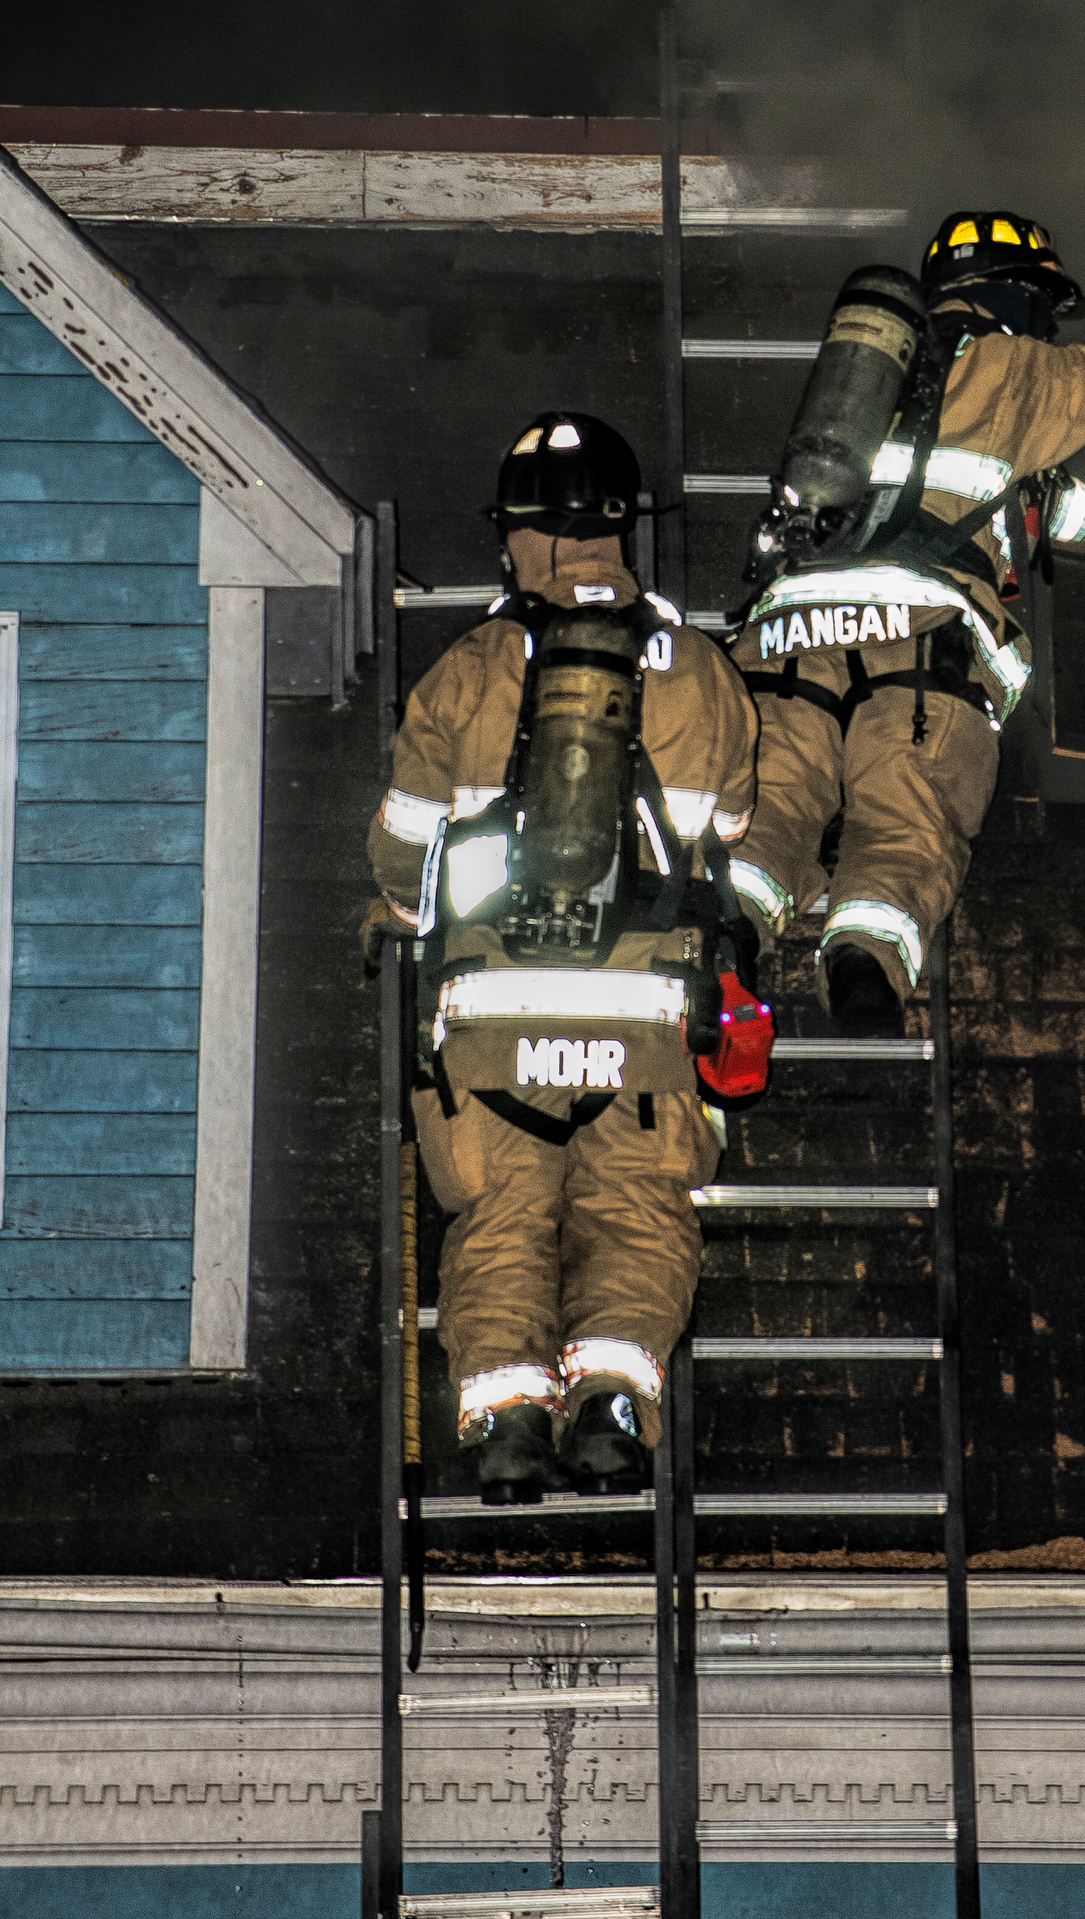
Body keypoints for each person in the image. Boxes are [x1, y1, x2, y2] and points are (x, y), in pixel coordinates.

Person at [367, 412, 759, 1503]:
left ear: (520, 536)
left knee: (500, 1221)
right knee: (636, 1218)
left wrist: (402, 918)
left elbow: (401, 860)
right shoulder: (708, 677)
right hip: (645, 1031)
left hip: (489, 1031)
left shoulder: (468, 671)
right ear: (619, 527)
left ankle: (504, 1426)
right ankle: (615, 1408)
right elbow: (730, 834)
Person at [727, 211, 1085, 1031]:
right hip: (919, 640)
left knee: (777, 800)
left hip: (787, 635)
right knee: (906, 815)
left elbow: (1018, 506)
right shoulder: (1016, 369)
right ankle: (864, 965)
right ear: (1023, 298)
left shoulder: (870, 386)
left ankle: (728, 934)